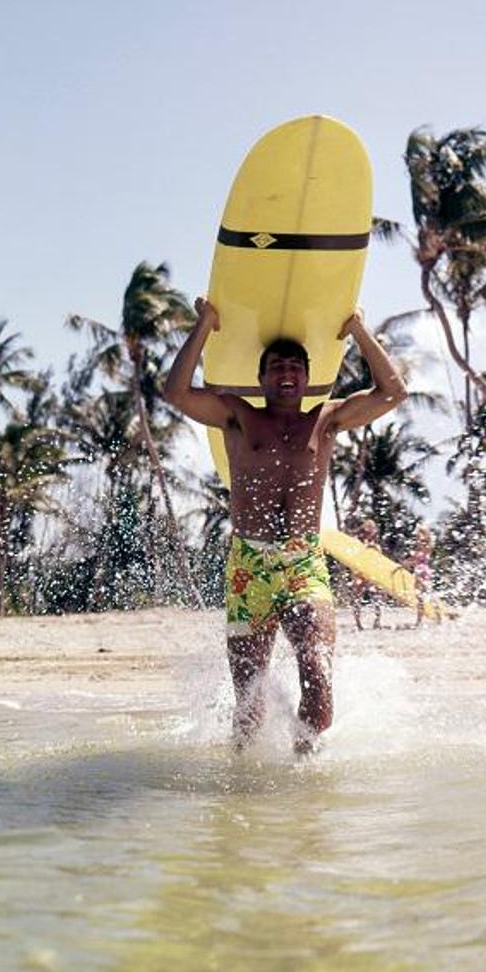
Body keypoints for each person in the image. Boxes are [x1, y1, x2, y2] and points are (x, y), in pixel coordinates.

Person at [164, 298, 406, 752]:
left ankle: (304, 774)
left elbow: (393, 393)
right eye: (276, 367)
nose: (287, 373)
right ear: (261, 380)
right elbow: (175, 393)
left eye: (296, 366)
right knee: (249, 707)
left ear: (309, 378)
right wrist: (205, 324)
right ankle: (244, 780)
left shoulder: (327, 420)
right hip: (248, 567)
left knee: (319, 679)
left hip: (303, 563)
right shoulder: (238, 415)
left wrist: (358, 330)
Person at [351, 516, 384, 631]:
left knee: (377, 597)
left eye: (371, 530)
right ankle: (358, 623)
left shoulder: (376, 546)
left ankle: (377, 621)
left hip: (372, 573)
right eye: (367, 530)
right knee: (357, 598)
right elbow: (354, 557)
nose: (369, 533)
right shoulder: (358, 543)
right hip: (360, 573)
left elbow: (379, 559)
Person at [406, 522, 435, 627]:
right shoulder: (418, 550)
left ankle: (435, 614)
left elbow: (430, 544)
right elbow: (412, 561)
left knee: (425, 595)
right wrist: (404, 564)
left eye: (421, 540)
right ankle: (419, 620)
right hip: (418, 573)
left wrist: (423, 531)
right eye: (418, 539)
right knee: (419, 597)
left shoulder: (427, 548)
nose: (419, 541)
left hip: (423, 572)